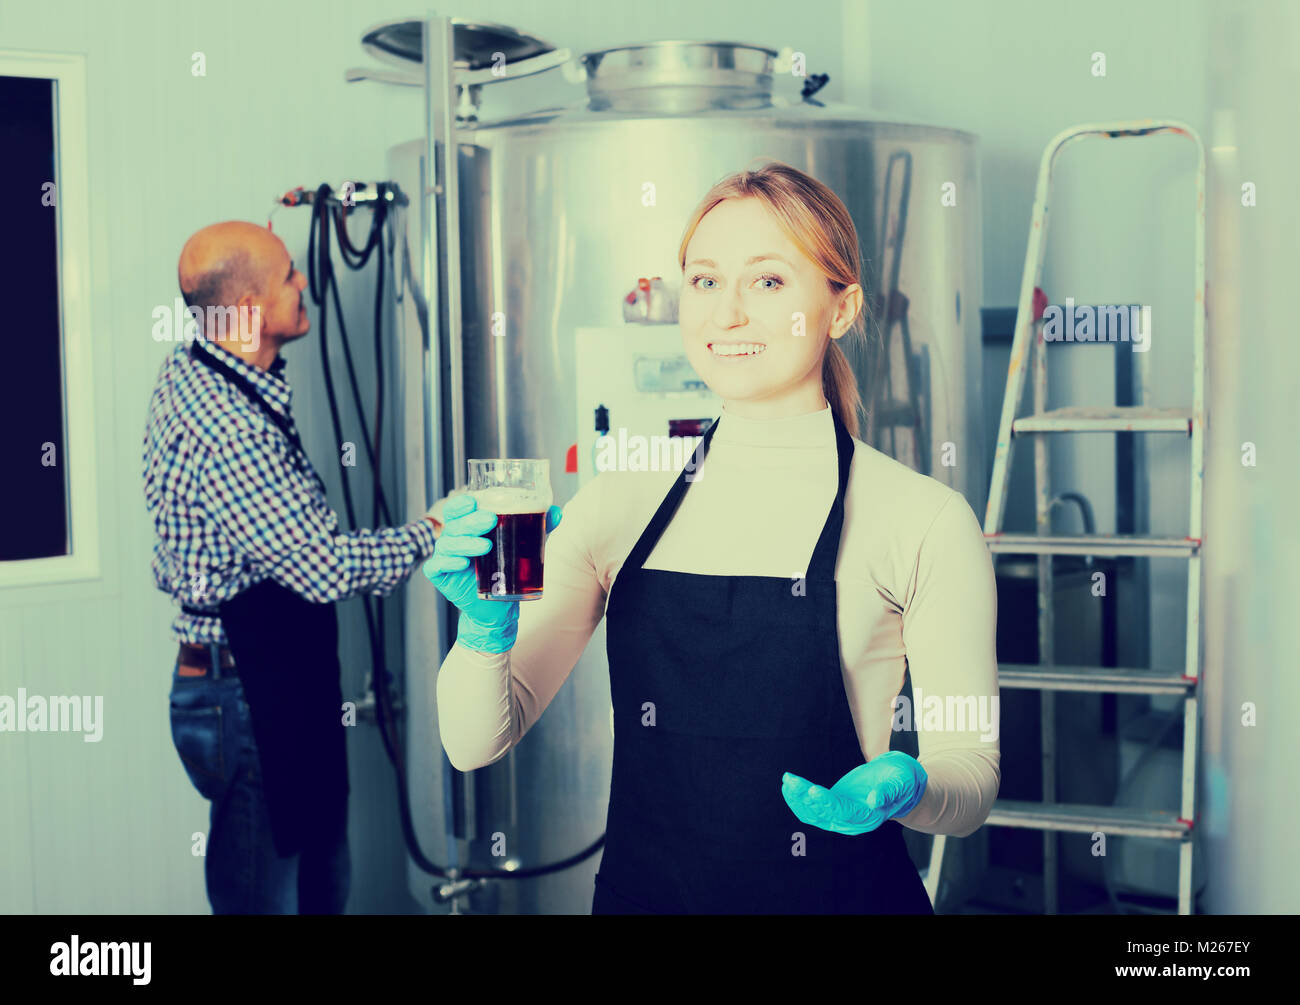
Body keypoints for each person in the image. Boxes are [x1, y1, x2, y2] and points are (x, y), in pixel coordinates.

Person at [425, 163, 1000, 914]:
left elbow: (974, 772)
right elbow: (474, 743)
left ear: (841, 307)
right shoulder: (619, 503)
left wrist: (912, 784)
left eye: (767, 282)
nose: (725, 314)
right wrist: (481, 634)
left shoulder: (921, 517)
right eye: (703, 281)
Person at [143, 220, 443, 914]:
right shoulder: (228, 426)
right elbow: (323, 569)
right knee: (267, 901)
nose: (304, 282)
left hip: (267, 679)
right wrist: (434, 529)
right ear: (247, 311)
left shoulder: (203, 369)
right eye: (288, 276)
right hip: (248, 692)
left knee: (315, 884)